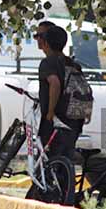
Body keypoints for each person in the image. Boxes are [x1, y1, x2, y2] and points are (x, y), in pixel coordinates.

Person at [35, 22, 83, 160]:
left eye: (40, 35)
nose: (38, 38)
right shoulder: (73, 63)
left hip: (56, 121)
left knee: (47, 161)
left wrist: (50, 112)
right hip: (74, 121)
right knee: (64, 162)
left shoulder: (48, 63)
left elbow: (54, 83)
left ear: (47, 40)